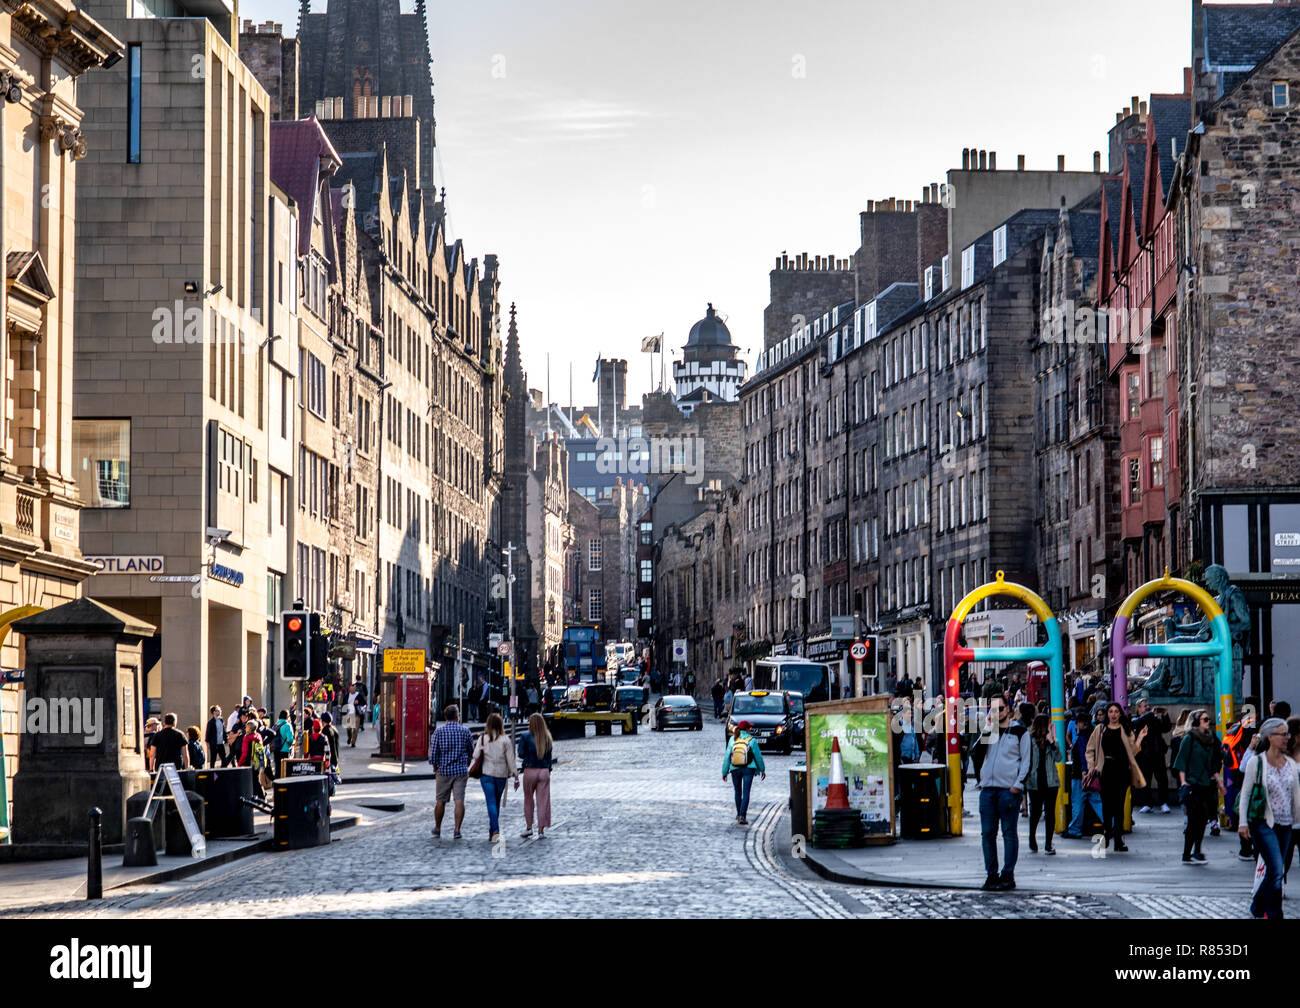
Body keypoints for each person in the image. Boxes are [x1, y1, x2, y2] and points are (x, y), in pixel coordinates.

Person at [1239, 718, 1300, 919]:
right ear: (1270, 737)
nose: (1287, 738)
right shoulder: (1257, 762)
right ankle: (1275, 914)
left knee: (1275, 870)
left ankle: (1257, 906)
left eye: (1288, 734)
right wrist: (1243, 823)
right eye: (1283, 734)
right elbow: (1246, 794)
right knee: (1275, 869)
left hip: (1287, 823)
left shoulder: (1290, 763)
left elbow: (1295, 795)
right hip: (1263, 823)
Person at [977, 696, 1031, 890]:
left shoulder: (1020, 731)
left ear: (1008, 709)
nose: (996, 712)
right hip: (988, 789)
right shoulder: (989, 731)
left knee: (1009, 833)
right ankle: (991, 874)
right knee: (987, 834)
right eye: (992, 709)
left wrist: (1018, 785)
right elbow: (976, 754)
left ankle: (1008, 875)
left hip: (1008, 790)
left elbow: (1026, 760)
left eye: (999, 708)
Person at [1086, 702, 1147, 852]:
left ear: (1120, 714)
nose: (1113, 714)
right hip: (1105, 770)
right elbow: (1090, 749)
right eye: (1111, 711)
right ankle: (1107, 833)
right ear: (1107, 714)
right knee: (1107, 805)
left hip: (1121, 771)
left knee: (1119, 805)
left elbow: (1132, 751)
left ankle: (1118, 839)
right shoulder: (1100, 729)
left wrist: (1139, 738)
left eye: (1116, 711)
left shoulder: (1125, 730)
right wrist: (1091, 766)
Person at [1172, 709, 1225, 865]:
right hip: (1193, 784)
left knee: (1202, 819)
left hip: (1206, 784)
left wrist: (1220, 783)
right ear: (1197, 722)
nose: (1208, 722)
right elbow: (1181, 761)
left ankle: (1197, 851)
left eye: (1208, 719)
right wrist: (1183, 782)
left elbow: (1213, 764)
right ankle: (1187, 853)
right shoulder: (1189, 738)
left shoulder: (1211, 739)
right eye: (1204, 719)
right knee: (1194, 819)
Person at [429, 705, 475, 839]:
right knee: (459, 800)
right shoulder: (465, 731)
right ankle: (457, 830)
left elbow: (433, 753)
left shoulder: (439, 732)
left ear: (445, 717)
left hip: (443, 770)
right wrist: (467, 763)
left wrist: (435, 768)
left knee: (440, 801)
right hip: (460, 771)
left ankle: (437, 828)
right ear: (457, 716)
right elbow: (471, 751)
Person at [472, 712, 518, 842]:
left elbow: (475, 756)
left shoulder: (483, 739)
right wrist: (515, 775)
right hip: (501, 775)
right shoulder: (506, 740)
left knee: (491, 802)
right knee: (496, 802)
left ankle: (494, 830)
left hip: (486, 774)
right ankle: (493, 830)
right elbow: (510, 759)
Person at [1062, 709, 1104, 839]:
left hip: (1081, 776)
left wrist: (1084, 771)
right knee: (1096, 801)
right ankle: (1111, 824)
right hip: (1094, 774)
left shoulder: (1081, 738)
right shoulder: (1093, 736)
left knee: (1077, 802)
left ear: (1083, 724)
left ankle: (1075, 829)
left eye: (1077, 723)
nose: (1075, 725)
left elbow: (1083, 755)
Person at [1025, 714, 1060, 854]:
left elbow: (1059, 757)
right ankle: (1032, 837)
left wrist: (1052, 741)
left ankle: (1048, 844)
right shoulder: (1029, 739)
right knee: (1036, 812)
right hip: (1035, 781)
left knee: (1050, 813)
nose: (1051, 726)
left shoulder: (1052, 740)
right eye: (1049, 724)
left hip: (1051, 781)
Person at [1131, 699, 1173, 813]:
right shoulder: (1137, 720)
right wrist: (1149, 714)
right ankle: (1147, 803)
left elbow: (1166, 728)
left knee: (1162, 779)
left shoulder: (1154, 719)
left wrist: (1165, 715)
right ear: (1138, 709)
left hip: (1157, 753)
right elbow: (1136, 723)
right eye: (1145, 706)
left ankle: (1163, 802)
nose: (1148, 708)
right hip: (1144, 755)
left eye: (1148, 706)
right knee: (1146, 780)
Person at [518, 712, 555, 838]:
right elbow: (549, 758)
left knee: (528, 799)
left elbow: (521, 754)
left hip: (530, 770)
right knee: (543, 801)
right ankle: (541, 830)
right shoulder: (547, 737)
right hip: (544, 771)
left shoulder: (525, 736)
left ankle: (529, 827)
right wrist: (548, 769)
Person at [722, 720, 765, 825]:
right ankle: (742, 816)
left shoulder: (733, 739)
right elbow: (758, 757)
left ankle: (738, 814)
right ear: (746, 729)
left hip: (734, 769)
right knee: (746, 793)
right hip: (748, 769)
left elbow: (727, 756)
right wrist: (762, 770)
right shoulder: (752, 740)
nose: (750, 729)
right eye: (749, 728)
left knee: (737, 792)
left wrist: (724, 771)